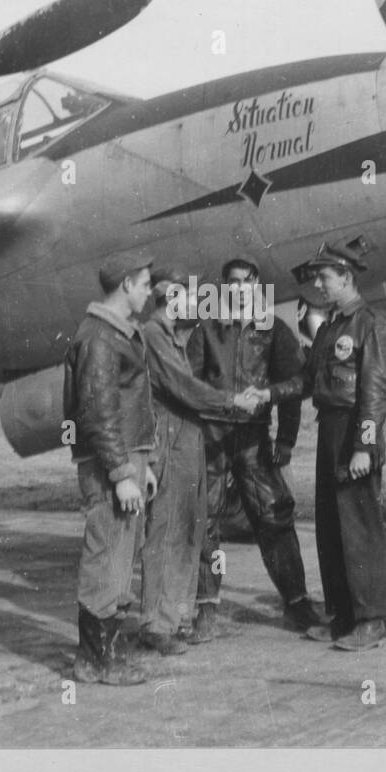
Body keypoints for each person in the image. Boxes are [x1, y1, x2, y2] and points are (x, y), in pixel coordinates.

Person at [263, 243, 386, 651]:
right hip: (329, 432)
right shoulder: (328, 329)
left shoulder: (370, 325)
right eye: (317, 278)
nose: (318, 284)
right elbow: (305, 383)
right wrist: (266, 394)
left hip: (354, 432)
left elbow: (376, 394)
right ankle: (342, 617)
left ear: (347, 279)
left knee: (359, 531)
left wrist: (364, 447)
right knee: (331, 529)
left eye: (325, 278)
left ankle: (370, 621)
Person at [187, 255, 324, 638]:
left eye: (246, 281)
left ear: (256, 284)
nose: (239, 288)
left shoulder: (274, 330)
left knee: (274, 519)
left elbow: (296, 385)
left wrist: (286, 440)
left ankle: (297, 604)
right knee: (205, 523)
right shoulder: (207, 330)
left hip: (254, 442)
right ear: (223, 285)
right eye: (231, 281)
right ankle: (206, 609)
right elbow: (189, 384)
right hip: (212, 441)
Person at [139, 268, 260, 654]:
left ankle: (170, 620)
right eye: (186, 296)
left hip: (188, 446)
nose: (194, 302)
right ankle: (156, 626)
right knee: (166, 535)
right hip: (172, 448)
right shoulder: (154, 336)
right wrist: (230, 401)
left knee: (187, 535)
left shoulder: (173, 337)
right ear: (168, 299)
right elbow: (183, 388)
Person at [63, 253, 159, 685]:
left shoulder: (118, 334)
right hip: (109, 466)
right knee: (105, 559)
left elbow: (128, 408)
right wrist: (122, 474)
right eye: (144, 283)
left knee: (120, 562)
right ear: (125, 285)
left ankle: (108, 655)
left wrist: (143, 465)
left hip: (125, 458)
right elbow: (97, 413)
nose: (149, 291)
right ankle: (93, 660)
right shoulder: (100, 338)